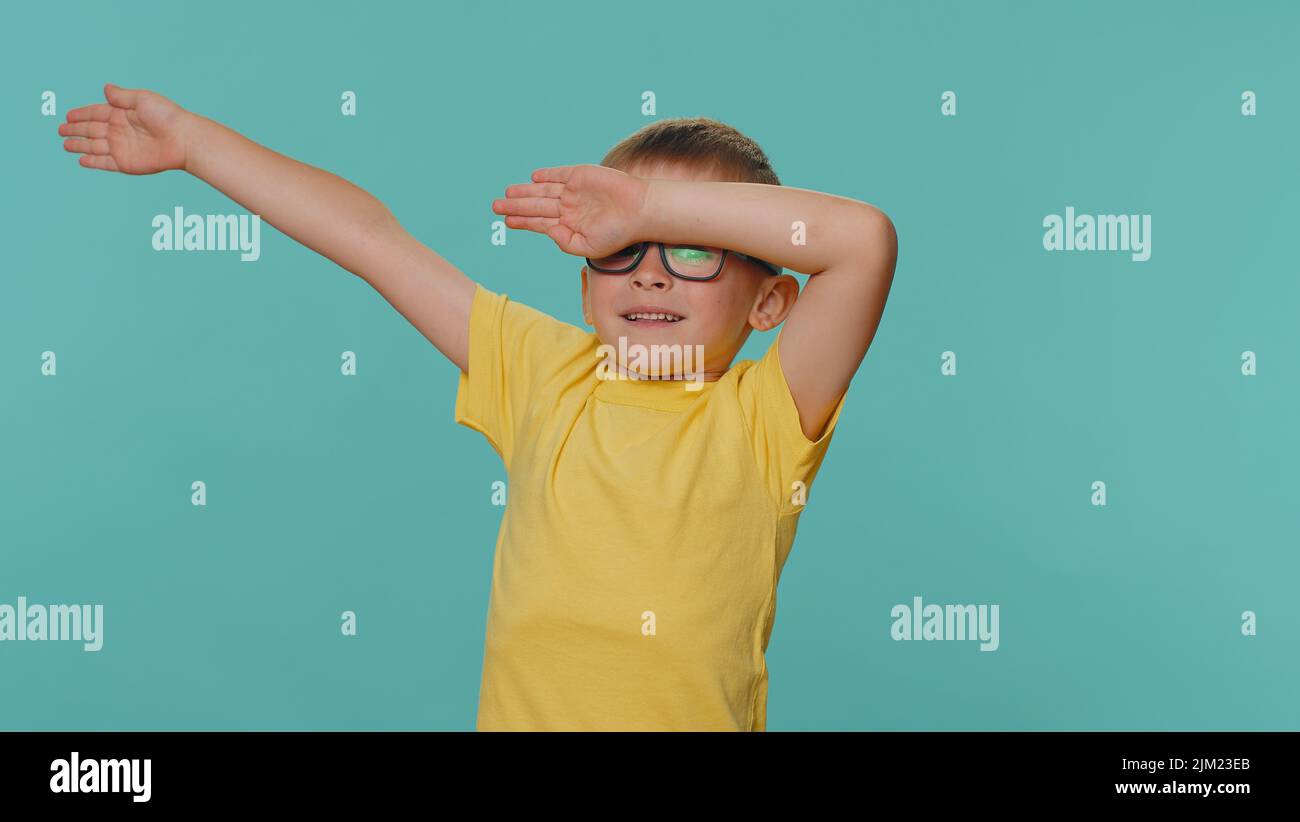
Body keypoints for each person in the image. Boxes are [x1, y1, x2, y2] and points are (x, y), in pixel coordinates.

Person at [59, 84, 898, 730]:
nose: (650, 274)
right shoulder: (544, 373)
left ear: (769, 303)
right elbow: (371, 241)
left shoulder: (767, 415)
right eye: (621, 248)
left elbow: (862, 242)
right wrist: (196, 145)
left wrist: (645, 205)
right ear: (585, 288)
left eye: (693, 250)